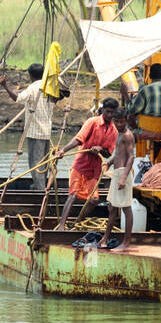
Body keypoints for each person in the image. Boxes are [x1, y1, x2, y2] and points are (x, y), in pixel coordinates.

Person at [0, 63, 69, 189]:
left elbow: (18, 98)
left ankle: (40, 190)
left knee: (36, 163)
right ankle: (40, 185)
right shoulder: (49, 87)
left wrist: (5, 86)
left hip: (35, 132)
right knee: (43, 163)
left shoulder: (33, 88)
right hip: (46, 132)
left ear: (31, 76)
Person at [58, 98, 119, 229]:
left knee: (94, 200)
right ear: (102, 110)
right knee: (73, 195)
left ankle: (77, 223)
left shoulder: (114, 131)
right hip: (81, 164)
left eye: (112, 113)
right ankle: (62, 226)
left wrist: (101, 149)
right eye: (107, 112)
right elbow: (79, 139)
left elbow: (108, 154)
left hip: (94, 169)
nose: (109, 115)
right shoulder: (92, 122)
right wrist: (63, 150)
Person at [98, 109, 137, 251]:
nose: (119, 124)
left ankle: (126, 242)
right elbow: (119, 154)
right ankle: (105, 238)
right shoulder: (119, 134)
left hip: (123, 175)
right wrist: (109, 162)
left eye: (122, 121)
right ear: (113, 121)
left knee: (126, 208)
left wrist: (124, 178)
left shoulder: (128, 135)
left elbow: (131, 157)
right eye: (116, 121)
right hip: (117, 173)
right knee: (112, 208)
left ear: (126, 120)